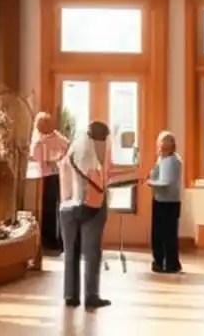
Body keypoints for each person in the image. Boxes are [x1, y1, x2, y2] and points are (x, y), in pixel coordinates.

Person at [58, 121, 135, 310]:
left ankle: (71, 295)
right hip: (92, 207)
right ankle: (91, 296)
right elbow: (102, 177)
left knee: (71, 253)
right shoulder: (96, 151)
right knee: (92, 252)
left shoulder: (74, 149)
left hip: (67, 207)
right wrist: (134, 175)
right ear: (101, 139)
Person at [30, 111, 69, 251]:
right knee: (56, 208)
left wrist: (51, 162)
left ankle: (50, 241)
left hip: (46, 176)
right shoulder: (58, 137)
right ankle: (58, 241)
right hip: (58, 175)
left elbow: (36, 156)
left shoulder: (40, 140)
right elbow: (67, 148)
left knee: (48, 209)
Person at [146, 131, 182, 274]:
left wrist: (150, 182)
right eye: (161, 142)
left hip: (168, 202)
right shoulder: (162, 159)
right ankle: (160, 262)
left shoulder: (172, 160)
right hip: (160, 200)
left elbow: (165, 182)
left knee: (167, 235)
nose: (162, 146)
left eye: (166, 142)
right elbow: (157, 175)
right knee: (159, 234)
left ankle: (169, 264)